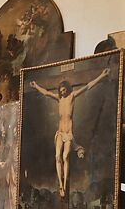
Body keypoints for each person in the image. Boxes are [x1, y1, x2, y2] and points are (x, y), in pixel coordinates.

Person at [30, 68, 109, 197]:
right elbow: (46, 93)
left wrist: (102, 75)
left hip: (68, 134)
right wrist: (36, 86)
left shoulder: (72, 96)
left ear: (67, 89)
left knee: (65, 157)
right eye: (61, 91)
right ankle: (60, 185)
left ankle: (65, 184)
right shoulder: (58, 99)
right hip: (60, 133)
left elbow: (88, 86)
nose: (62, 92)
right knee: (57, 157)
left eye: (64, 90)